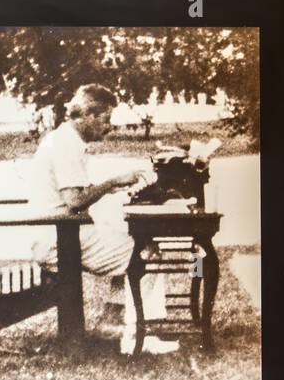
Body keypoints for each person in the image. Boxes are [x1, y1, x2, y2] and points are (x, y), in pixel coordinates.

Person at [28, 84, 176, 354]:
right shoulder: (65, 145)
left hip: (60, 231)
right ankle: (136, 336)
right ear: (88, 115)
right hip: (60, 238)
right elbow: (74, 201)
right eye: (105, 119)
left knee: (129, 238)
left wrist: (113, 188)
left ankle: (115, 321)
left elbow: (73, 195)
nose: (107, 127)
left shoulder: (64, 140)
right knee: (147, 252)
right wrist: (112, 182)